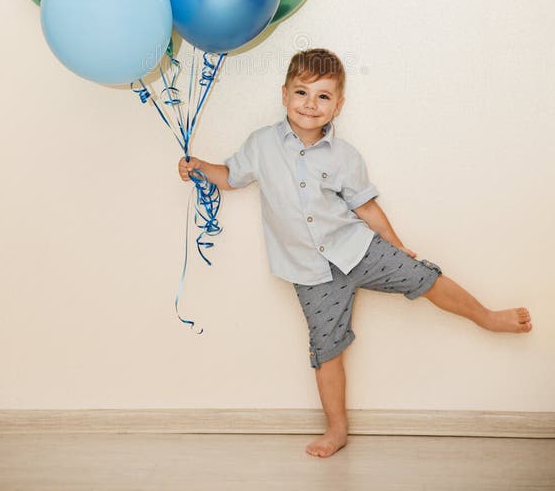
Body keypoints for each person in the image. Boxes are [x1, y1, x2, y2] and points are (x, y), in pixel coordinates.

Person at [178, 48, 532, 458]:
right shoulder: (261, 145)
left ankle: (487, 316)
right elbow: (231, 177)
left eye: (323, 96)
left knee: (425, 277)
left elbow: (366, 208)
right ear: (284, 94)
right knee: (326, 351)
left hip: (357, 249)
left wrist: (397, 246)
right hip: (310, 272)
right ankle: (337, 428)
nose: (311, 104)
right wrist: (199, 165)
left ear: (338, 105)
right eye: (302, 92)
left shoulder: (345, 156)